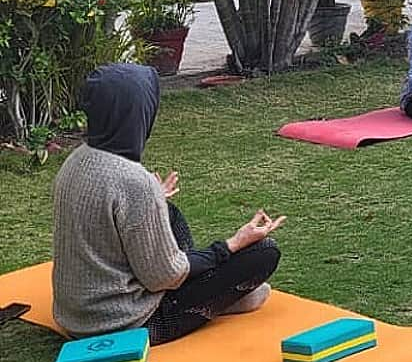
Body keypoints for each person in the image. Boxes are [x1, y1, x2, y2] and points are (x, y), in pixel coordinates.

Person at [52, 63, 285, 346]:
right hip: (126, 325)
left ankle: (216, 293)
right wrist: (233, 244)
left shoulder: (74, 160)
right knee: (264, 252)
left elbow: (99, 217)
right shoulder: (134, 182)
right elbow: (165, 277)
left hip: (74, 317)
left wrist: (154, 204)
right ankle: (218, 299)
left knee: (169, 214)